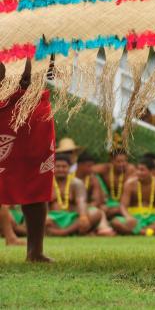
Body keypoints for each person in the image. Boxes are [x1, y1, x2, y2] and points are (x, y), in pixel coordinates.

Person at [0, 59, 55, 261]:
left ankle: (35, 252)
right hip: (3, 102)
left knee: (36, 179)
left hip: (33, 105)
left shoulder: (40, 40)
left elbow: (52, 70)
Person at [111, 156, 155, 235]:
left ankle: (139, 232)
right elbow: (123, 205)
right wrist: (128, 217)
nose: (138, 172)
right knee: (115, 222)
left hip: (153, 217)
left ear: (152, 171)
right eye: (138, 169)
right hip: (134, 217)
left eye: (142, 170)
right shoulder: (130, 184)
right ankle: (147, 232)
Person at [47, 154, 101, 236]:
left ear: (69, 168)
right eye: (57, 166)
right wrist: (46, 216)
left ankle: (63, 233)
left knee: (95, 213)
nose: (61, 169)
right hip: (52, 218)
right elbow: (42, 204)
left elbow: (81, 201)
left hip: (71, 218)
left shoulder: (77, 183)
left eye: (64, 167)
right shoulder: (47, 183)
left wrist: (83, 216)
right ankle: (67, 232)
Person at [73, 152, 115, 236]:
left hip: (88, 208)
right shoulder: (69, 178)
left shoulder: (93, 179)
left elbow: (97, 201)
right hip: (71, 209)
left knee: (97, 211)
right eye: (89, 166)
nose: (92, 169)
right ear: (80, 165)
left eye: (92, 166)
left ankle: (100, 228)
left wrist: (84, 208)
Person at [94, 149, 135, 219]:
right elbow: (88, 170)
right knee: (94, 177)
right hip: (108, 202)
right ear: (111, 161)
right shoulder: (105, 168)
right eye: (118, 162)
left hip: (126, 204)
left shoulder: (131, 170)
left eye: (124, 161)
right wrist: (101, 193)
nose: (122, 164)